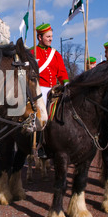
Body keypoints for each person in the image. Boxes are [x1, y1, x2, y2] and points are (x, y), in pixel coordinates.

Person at [31, 23, 69, 158]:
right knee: (43, 117)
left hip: (54, 89)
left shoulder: (56, 54)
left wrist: (67, 84)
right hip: (39, 89)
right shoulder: (32, 52)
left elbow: (62, 73)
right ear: (39, 37)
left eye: (51, 36)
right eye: (48, 36)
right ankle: (41, 144)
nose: (51, 39)